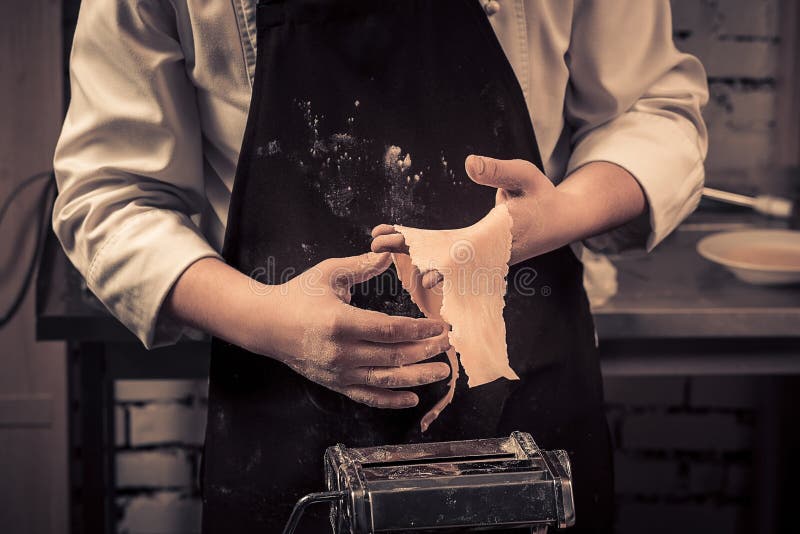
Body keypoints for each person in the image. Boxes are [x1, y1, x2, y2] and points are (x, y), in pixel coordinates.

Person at [53, 1, 708, 532]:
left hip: (528, 389)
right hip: (286, 406)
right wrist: (267, 319)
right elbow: (111, 198)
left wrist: (567, 211)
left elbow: (653, 109)